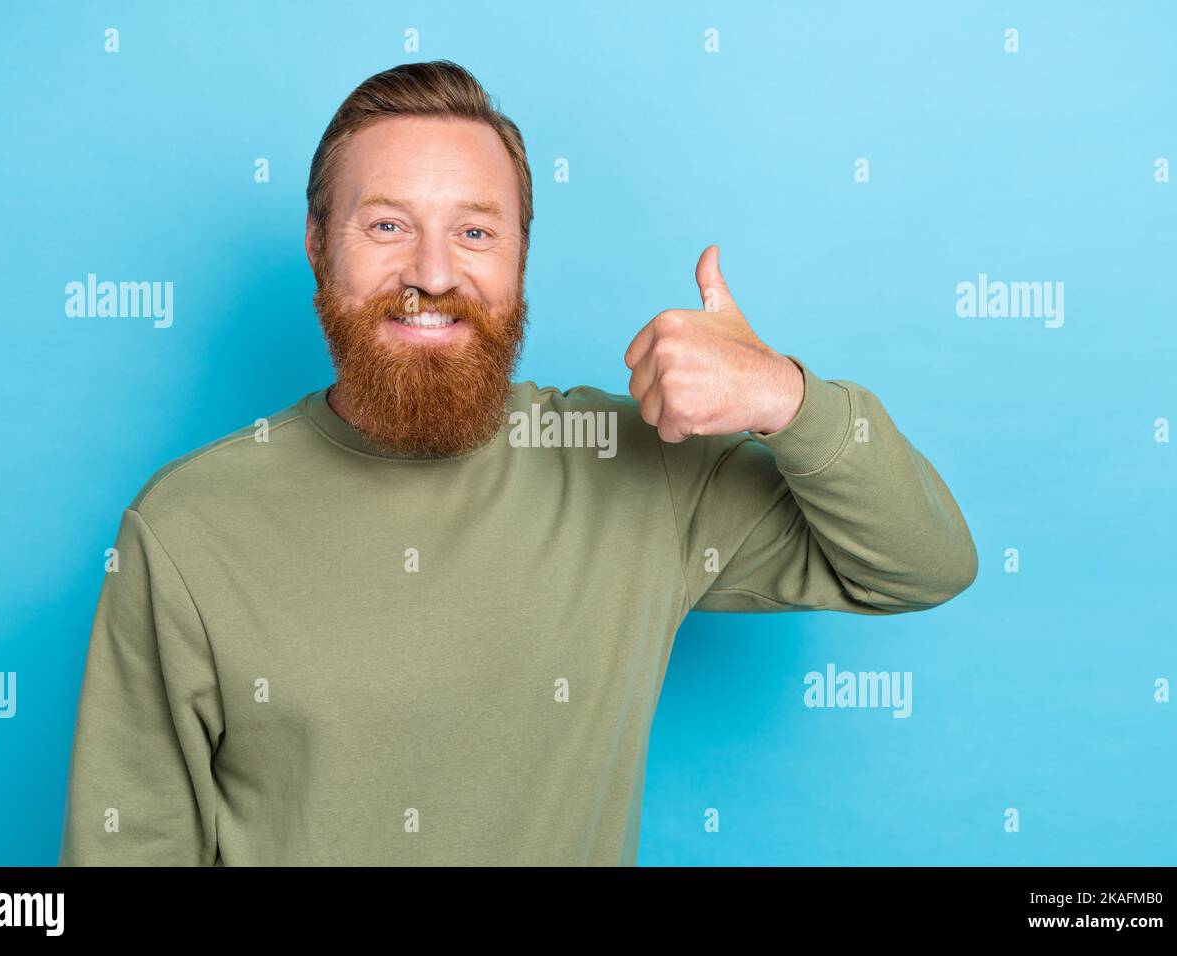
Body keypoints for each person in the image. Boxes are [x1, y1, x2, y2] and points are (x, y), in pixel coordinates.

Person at [58, 59, 978, 866]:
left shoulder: (643, 473)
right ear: (317, 247)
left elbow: (924, 563)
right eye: (386, 226)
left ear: (522, 259)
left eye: (475, 231)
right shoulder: (185, 527)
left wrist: (787, 398)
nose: (433, 272)